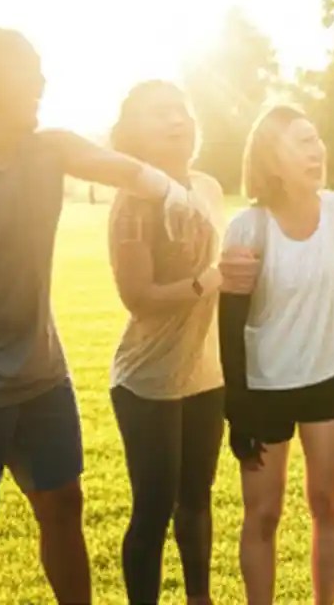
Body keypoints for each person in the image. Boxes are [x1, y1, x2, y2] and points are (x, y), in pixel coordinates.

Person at [0, 28, 214, 605]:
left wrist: (175, 197)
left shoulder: (50, 147)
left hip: (42, 381)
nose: (42, 82)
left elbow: (127, 171)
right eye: (29, 70)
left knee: (63, 510)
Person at [217, 105, 334, 605]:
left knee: (328, 504)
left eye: (317, 139)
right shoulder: (248, 227)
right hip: (263, 392)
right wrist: (236, 406)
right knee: (262, 516)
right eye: (302, 143)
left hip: (330, 378)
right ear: (273, 160)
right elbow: (229, 322)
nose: (317, 150)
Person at [106, 81, 227, 605]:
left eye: (182, 108)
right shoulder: (133, 204)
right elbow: (139, 298)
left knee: (197, 501)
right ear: (135, 132)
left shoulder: (207, 186)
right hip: (148, 378)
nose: (178, 119)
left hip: (206, 373)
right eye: (161, 114)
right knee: (153, 508)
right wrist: (212, 280)